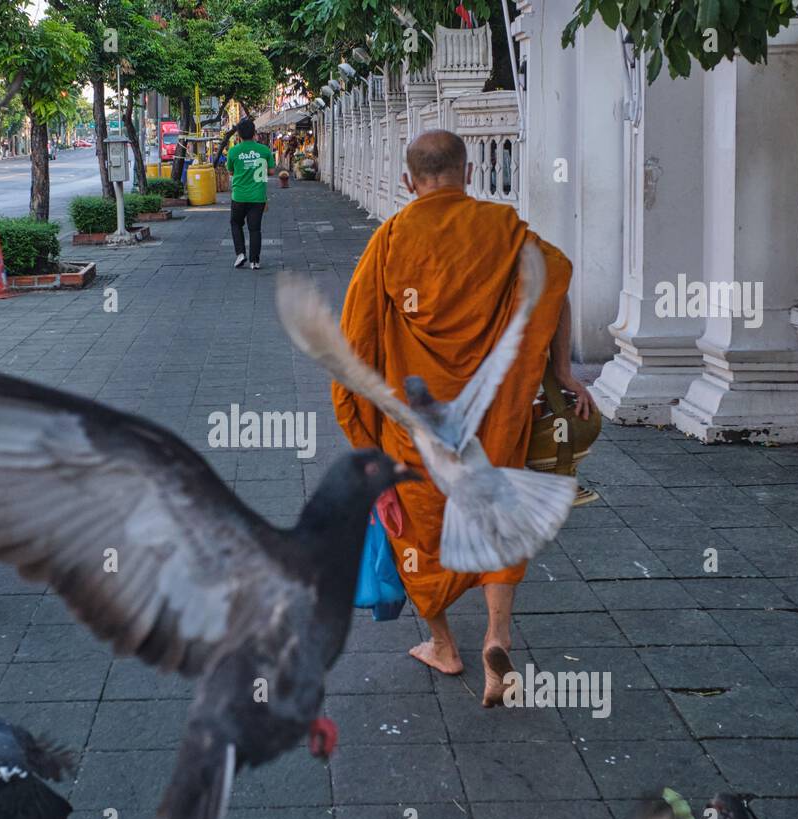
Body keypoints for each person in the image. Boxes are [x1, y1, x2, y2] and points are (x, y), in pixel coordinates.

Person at [332, 129, 596, 706]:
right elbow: (553, 286)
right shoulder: (503, 229)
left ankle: (444, 645)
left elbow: (354, 349)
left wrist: (361, 432)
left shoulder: (390, 240)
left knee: (417, 534)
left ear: (407, 182)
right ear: (469, 173)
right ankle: (497, 637)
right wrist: (565, 373)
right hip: (496, 419)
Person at [225, 117, 275, 270]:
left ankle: (240, 254)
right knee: (255, 228)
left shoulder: (233, 151)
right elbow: (272, 171)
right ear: (254, 133)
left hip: (239, 196)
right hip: (258, 197)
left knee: (235, 224)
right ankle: (255, 261)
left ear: (238, 135)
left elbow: (231, 171)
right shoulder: (265, 150)